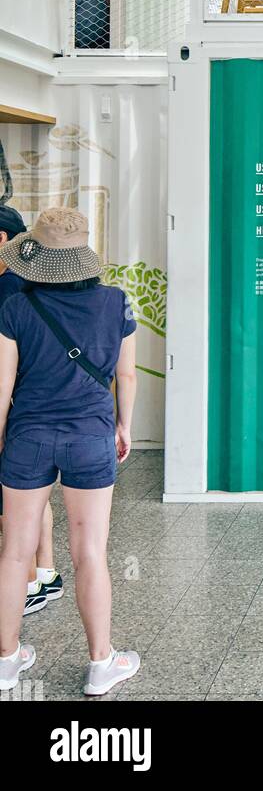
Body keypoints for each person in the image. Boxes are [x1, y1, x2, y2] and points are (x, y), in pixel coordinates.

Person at [0, 208, 139, 696]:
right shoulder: (115, 302)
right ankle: (102, 663)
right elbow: (125, 376)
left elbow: (3, 384)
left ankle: (6, 661)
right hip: (90, 435)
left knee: (15, 552)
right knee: (90, 553)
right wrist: (123, 426)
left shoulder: (16, 308)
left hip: (28, 437)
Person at [0, 205, 63, 616]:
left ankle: (24, 586)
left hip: (15, 406)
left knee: (11, 502)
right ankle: (46, 574)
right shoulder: (28, 281)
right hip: (34, 404)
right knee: (32, 494)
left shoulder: (8, 289)